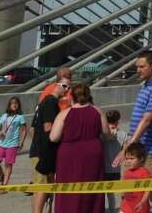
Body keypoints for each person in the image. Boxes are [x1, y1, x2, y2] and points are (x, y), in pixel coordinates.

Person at [113, 51, 152, 213]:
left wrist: (127, 146)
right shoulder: (147, 84)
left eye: (142, 66)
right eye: (137, 67)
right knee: (129, 191)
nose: (138, 70)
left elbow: (147, 119)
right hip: (136, 147)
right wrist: (129, 144)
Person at [50, 84, 107, 213]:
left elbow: (53, 137)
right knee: (92, 187)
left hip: (69, 154)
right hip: (93, 153)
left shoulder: (64, 114)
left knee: (68, 190)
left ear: (71, 97)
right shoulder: (97, 111)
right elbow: (107, 134)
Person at [31, 77, 64, 213]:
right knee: (42, 187)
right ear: (56, 86)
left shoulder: (42, 103)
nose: (67, 90)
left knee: (44, 188)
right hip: (44, 152)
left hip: (39, 150)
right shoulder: (51, 102)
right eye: (65, 86)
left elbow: (33, 129)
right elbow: (48, 128)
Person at [0, 96, 29, 185]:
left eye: (16, 103)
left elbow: (24, 130)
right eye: (13, 103)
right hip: (2, 143)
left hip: (13, 144)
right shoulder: (4, 116)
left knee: (8, 164)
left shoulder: (20, 117)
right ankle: (2, 175)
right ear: (9, 105)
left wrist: (22, 142)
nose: (14, 105)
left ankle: (5, 184)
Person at [120, 143, 152, 213]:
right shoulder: (127, 172)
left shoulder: (144, 172)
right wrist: (122, 200)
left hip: (139, 208)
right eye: (127, 159)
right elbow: (124, 189)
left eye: (132, 158)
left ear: (141, 159)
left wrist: (142, 202)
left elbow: (148, 190)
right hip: (126, 207)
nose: (128, 161)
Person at [103, 111, 123, 213]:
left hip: (103, 168)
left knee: (101, 191)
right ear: (117, 121)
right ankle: (112, 210)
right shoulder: (123, 134)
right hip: (116, 169)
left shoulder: (102, 134)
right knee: (112, 193)